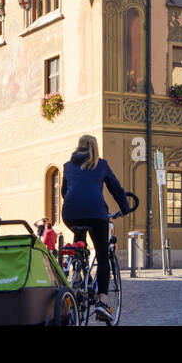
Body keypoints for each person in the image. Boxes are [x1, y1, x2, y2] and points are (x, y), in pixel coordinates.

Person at [60, 134, 131, 322]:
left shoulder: (68, 166)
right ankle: (102, 301)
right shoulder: (101, 164)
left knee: (79, 243)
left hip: (70, 213)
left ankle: (79, 277)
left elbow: (63, 192)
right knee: (102, 256)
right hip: (96, 214)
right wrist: (125, 208)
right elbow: (115, 188)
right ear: (95, 148)